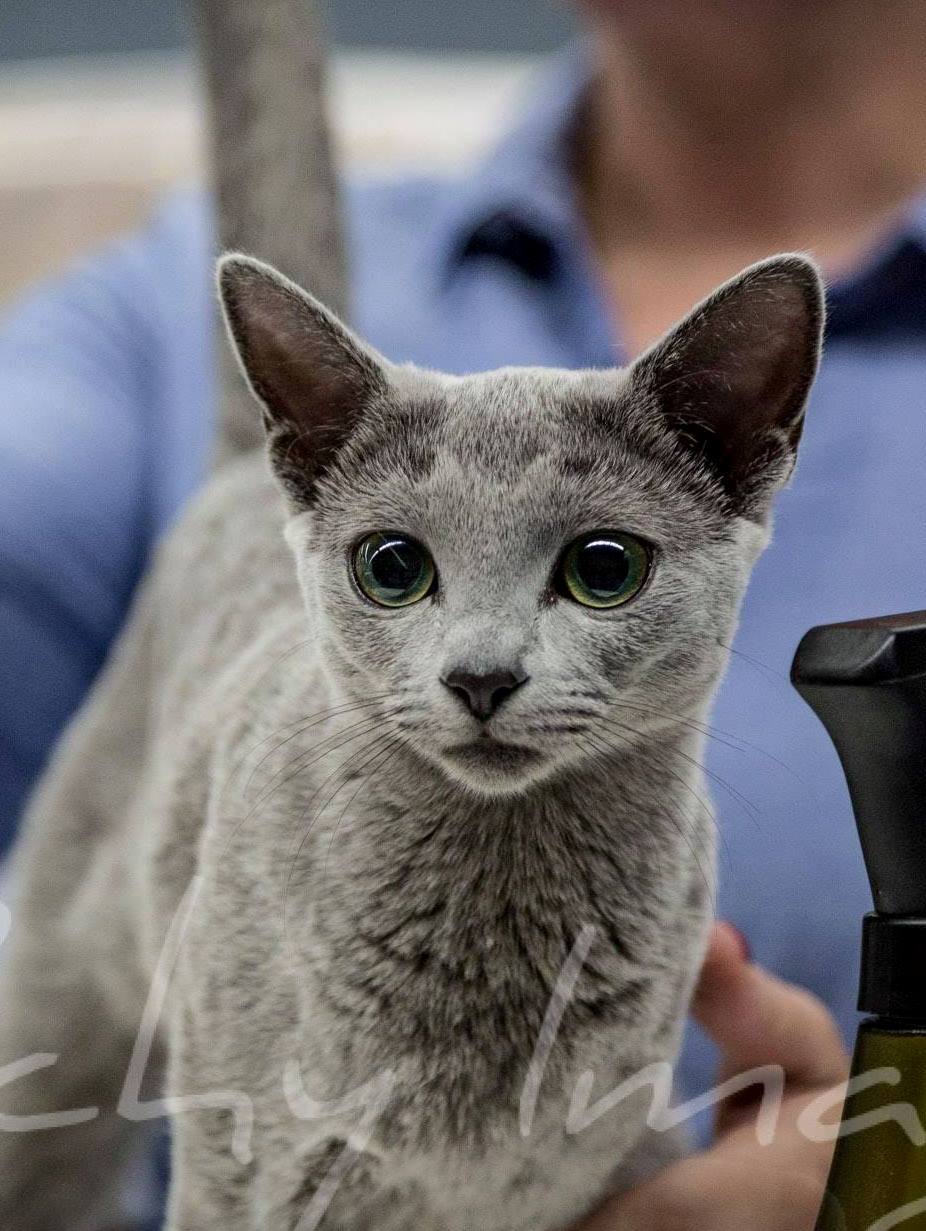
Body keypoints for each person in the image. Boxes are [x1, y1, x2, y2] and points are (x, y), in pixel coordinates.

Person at [1, 0, 924, 1225]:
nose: (481, 663)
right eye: (395, 570)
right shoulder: (151, 316)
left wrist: (886, 1176)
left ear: (743, 452)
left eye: (600, 568)